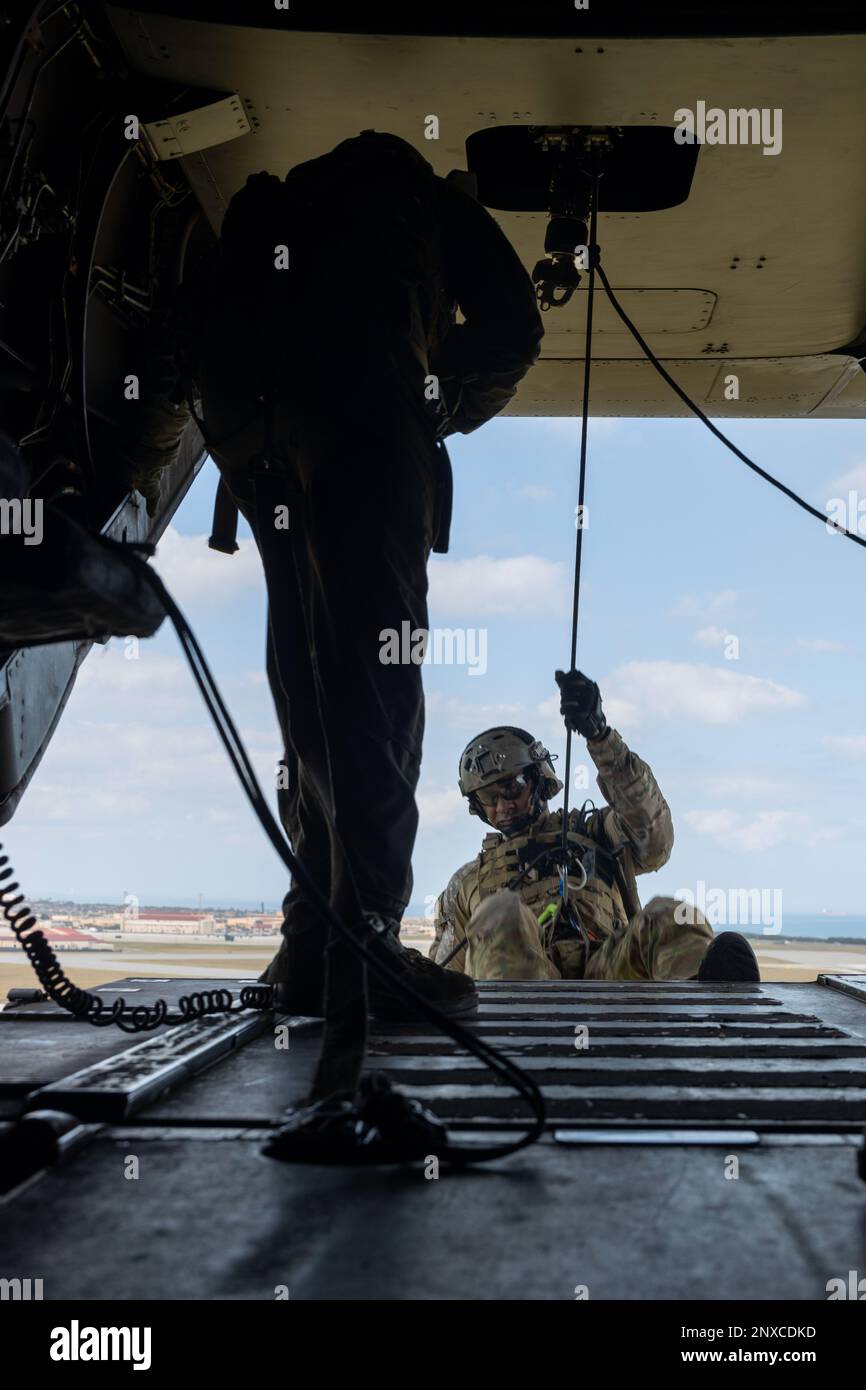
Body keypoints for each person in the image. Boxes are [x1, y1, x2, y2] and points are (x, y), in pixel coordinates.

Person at [190, 131, 545, 1021]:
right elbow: (512, 329)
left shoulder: (269, 203)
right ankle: (368, 943)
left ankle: (314, 936)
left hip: (265, 455)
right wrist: (427, 399)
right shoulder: (426, 203)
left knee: (305, 691)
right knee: (376, 693)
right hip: (368, 442)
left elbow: (199, 337)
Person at [429, 669, 760, 984]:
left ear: (538, 779)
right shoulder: (467, 884)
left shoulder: (596, 833)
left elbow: (655, 838)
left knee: (669, 916)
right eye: (487, 796)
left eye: (512, 787)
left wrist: (599, 735)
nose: (502, 805)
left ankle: (716, 1010)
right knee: (498, 913)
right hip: (526, 998)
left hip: (610, 976)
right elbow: (446, 974)